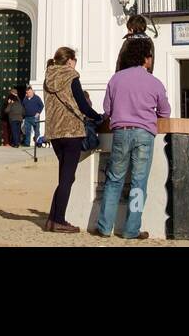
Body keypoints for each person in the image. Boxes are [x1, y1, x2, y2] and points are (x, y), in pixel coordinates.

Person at [94, 37, 171, 240]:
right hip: (144, 134)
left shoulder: (115, 79)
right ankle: (131, 230)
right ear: (147, 58)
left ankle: (103, 227)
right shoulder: (154, 82)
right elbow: (165, 111)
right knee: (138, 183)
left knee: (113, 180)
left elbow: (107, 110)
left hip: (120, 133)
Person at [42, 46, 104, 233]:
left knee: (65, 177)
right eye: (75, 60)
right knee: (67, 178)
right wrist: (98, 117)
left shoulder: (47, 78)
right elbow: (83, 105)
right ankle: (58, 220)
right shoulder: (71, 76)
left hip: (54, 133)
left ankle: (52, 219)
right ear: (70, 60)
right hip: (71, 131)